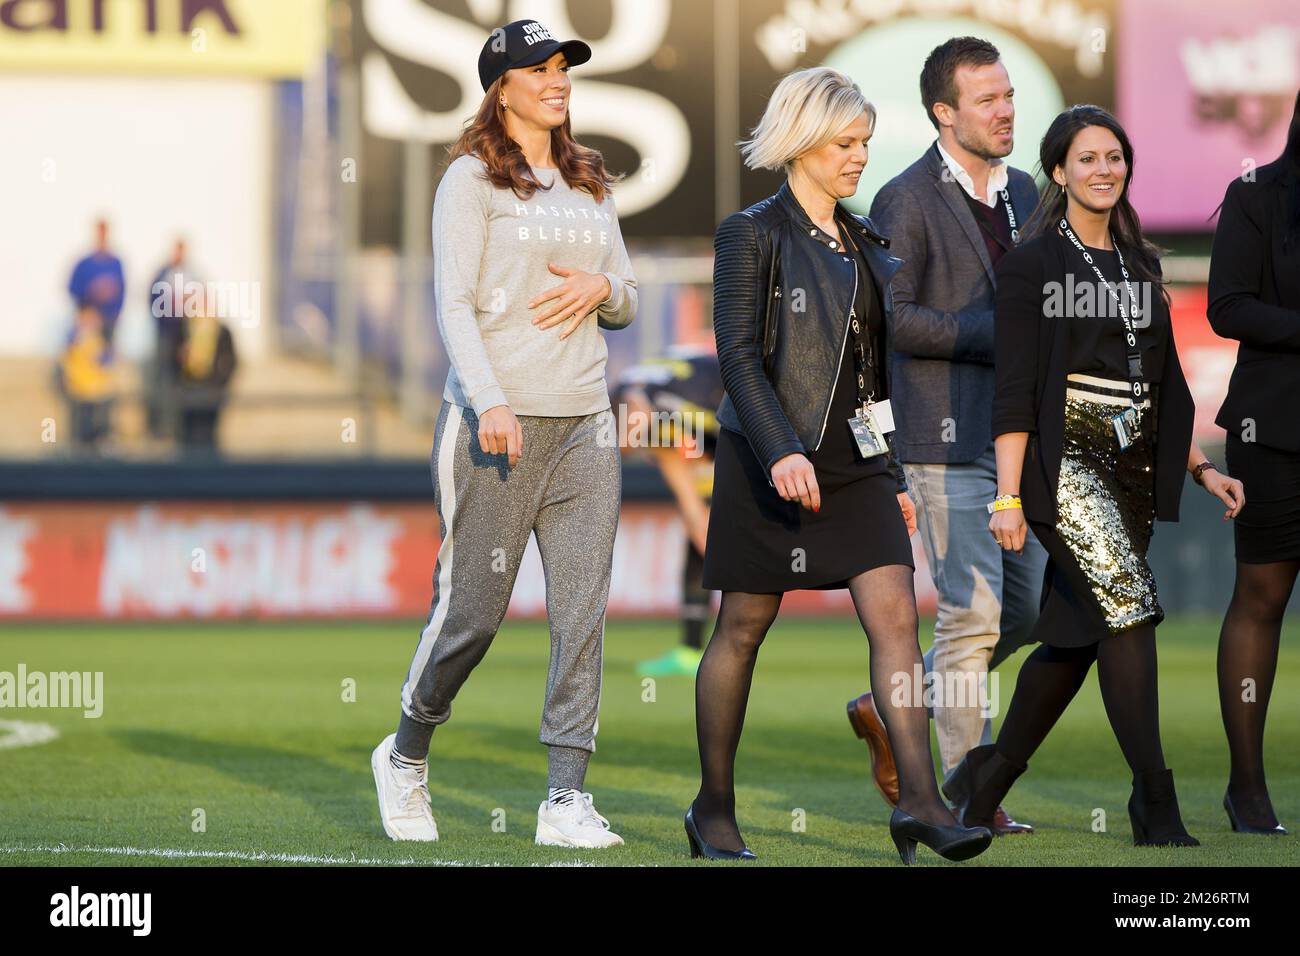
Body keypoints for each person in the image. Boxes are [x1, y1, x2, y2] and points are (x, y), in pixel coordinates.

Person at [689, 66, 993, 865]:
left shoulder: (865, 241)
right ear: (801, 141)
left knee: (897, 618)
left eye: (863, 142)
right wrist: (782, 447)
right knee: (743, 628)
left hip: (856, 463)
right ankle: (712, 810)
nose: (859, 156)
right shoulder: (750, 231)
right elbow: (739, 358)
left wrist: (890, 473)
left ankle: (921, 802)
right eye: (845, 143)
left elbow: (870, 375)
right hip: (767, 454)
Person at [371, 19, 637, 850]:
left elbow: (624, 293)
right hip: (497, 427)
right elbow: (452, 304)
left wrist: (603, 285)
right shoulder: (471, 181)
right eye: (540, 69)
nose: (558, 80)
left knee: (581, 615)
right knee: (474, 618)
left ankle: (565, 798)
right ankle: (406, 750)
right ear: (502, 88)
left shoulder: (591, 180)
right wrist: (487, 400)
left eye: (564, 67)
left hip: (586, 425)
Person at [947, 105, 1245, 847]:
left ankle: (984, 779)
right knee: (1130, 610)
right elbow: (1015, 389)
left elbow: (1162, 379)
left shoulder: (1137, 260)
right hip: (1064, 464)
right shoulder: (1032, 264)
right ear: (1058, 171)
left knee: (1077, 636)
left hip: (1134, 466)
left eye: (1114, 157)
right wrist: (1009, 496)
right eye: (1087, 158)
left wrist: (1202, 465)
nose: (1104, 169)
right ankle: (1154, 801)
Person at [855, 36, 1046, 835]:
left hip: (1022, 442)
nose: (1006, 111)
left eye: (1008, 96)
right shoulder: (902, 199)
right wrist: (997, 330)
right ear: (945, 112)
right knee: (972, 620)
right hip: (943, 437)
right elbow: (896, 321)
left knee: (1031, 615)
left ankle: (889, 701)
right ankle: (971, 797)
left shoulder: (1029, 190)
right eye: (988, 100)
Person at [1207, 89, 1300, 837]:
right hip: (1273, 428)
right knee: (1261, 600)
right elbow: (1227, 306)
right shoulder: (1254, 194)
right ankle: (1246, 788)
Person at [611, 345, 723, 677]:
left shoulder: (684, 402)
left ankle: (733, 635)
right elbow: (684, 492)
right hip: (709, 418)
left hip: (740, 408)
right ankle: (691, 649)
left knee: (715, 521)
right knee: (702, 524)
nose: (632, 446)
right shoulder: (631, 400)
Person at [147, 239, 192, 442]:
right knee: (162, 380)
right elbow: (154, 300)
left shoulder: (192, 275)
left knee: (179, 383)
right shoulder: (163, 274)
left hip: (183, 337)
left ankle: (178, 427)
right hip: (165, 334)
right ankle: (159, 427)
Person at [176, 306, 237, 451]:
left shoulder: (221, 331)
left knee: (208, 433)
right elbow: (172, 357)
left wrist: (221, 381)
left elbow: (231, 360)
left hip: (212, 389)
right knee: (189, 433)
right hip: (189, 387)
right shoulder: (184, 330)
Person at [56, 304, 115, 452]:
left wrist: (106, 358)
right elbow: (67, 360)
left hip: (97, 387)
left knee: (99, 417)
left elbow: (106, 360)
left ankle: (100, 440)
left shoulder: (100, 339)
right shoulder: (74, 339)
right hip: (79, 385)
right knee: (80, 417)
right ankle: (79, 442)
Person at [68, 219, 126, 346]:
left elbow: (122, 292)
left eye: (104, 232)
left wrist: (112, 314)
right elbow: (73, 289)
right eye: (99, 232)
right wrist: (91, 295)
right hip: (86, 323)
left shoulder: (116, 264)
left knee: (106, 359)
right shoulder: (84, 264)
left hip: (109, 324)